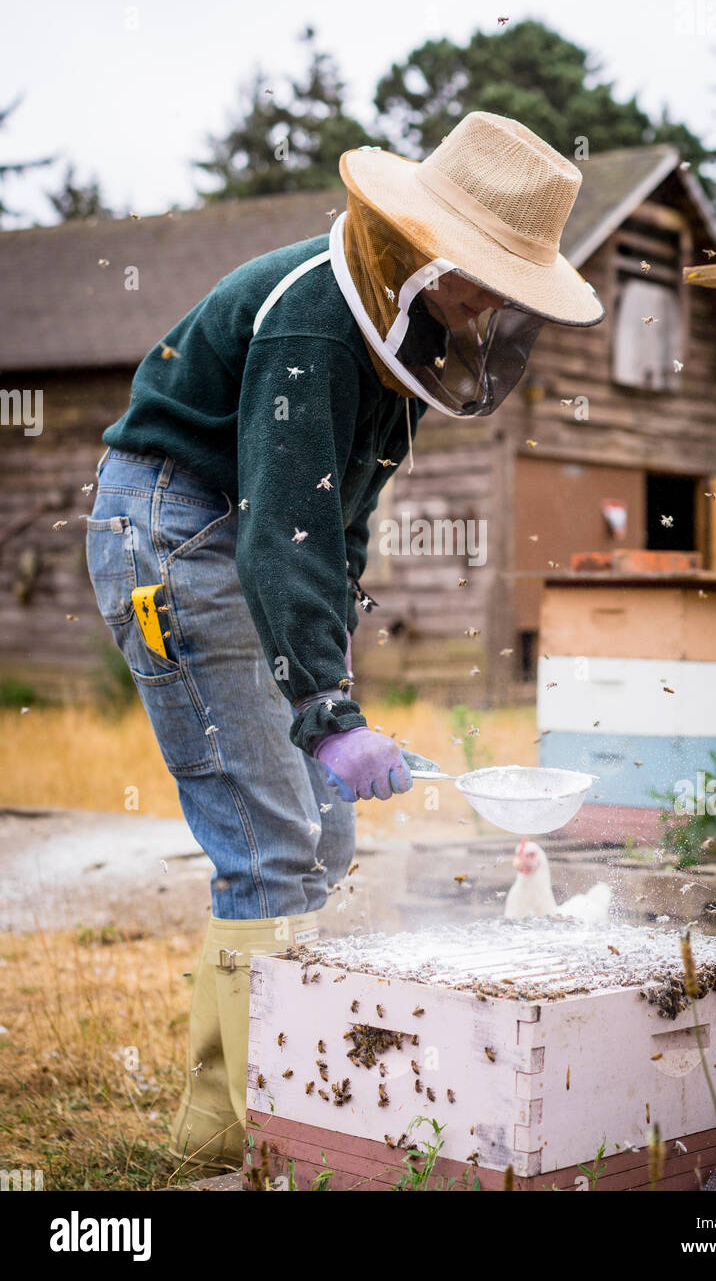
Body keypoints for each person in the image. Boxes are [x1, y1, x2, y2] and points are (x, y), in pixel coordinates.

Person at [85, 110, 604, 1172]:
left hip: (235, 531)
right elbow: (281, 533)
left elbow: (337, 529)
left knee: (325, 839)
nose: (493, 307)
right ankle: (235, 1128)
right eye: (486, 280)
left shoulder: (401, 347)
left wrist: (339, 690)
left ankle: (295, 1090)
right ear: (429, 252)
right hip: (174, 534)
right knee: (273, 846)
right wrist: (322, 714)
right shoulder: (316, 328)